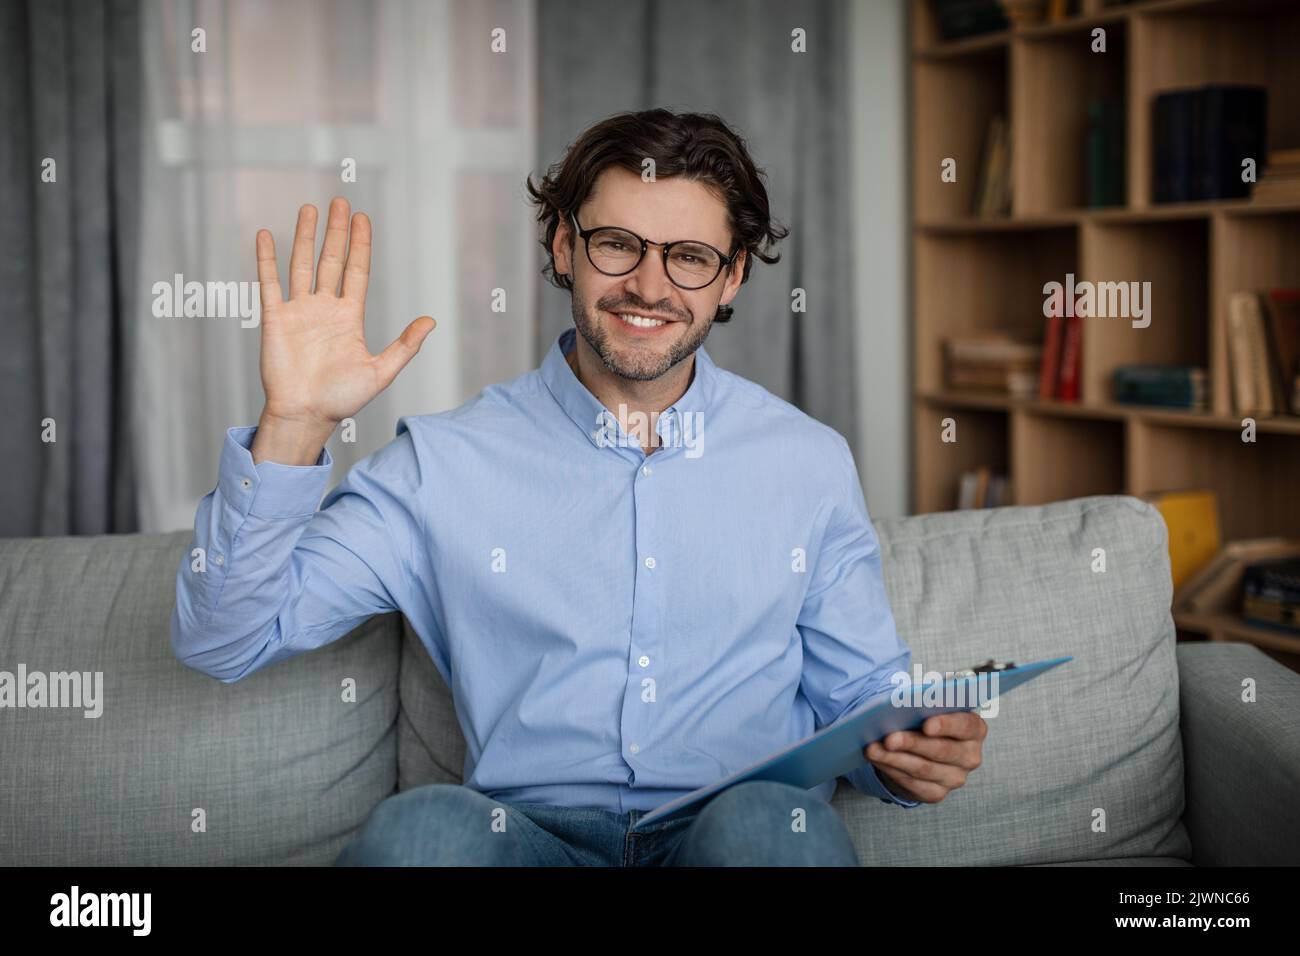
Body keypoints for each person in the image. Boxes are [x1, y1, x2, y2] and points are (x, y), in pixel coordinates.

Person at [171, 109, 986, 866]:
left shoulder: (807, 462)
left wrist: (914, 755)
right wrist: (295, 422)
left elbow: (865, 698)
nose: (649, 286)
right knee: (421, 832)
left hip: (733, 833)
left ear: (732, 277)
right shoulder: (442, 463)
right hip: (525, 837)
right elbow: (224, 641)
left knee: (776, 824)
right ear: (563, 246)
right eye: (617, 244)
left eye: (690, 257)